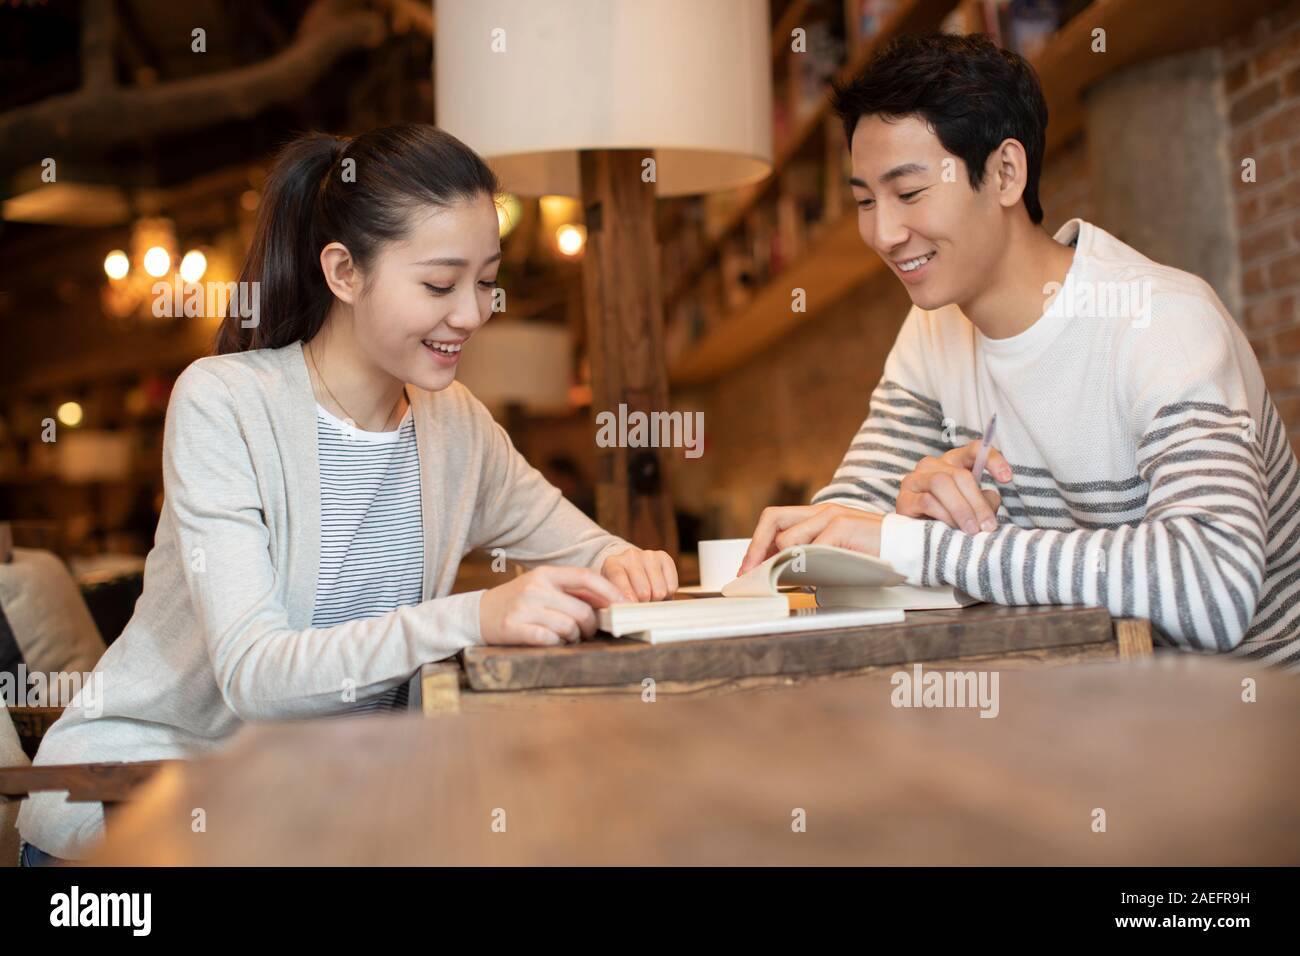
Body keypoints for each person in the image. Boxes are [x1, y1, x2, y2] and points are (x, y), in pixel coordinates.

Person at [19, 124, 677, 864]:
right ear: (344, 272)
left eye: (485, 281)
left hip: (321, 814)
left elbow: (589, 546)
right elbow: (256, 676)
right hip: (141, 810)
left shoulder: (456, 426)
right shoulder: (225, 404)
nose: (471, 314)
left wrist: (629, 565)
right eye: (438, 284)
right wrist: (477, 614)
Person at [739, 33, 1299, 669]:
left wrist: (921, 548)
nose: (884, 233)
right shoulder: (933, 332)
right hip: (1086, 718)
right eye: (865, 200)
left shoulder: (1160, 321)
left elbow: (1212, 587)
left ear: (1005, 173)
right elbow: (833, 546)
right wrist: (903, 518)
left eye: (910, 193)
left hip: (1249, 724)